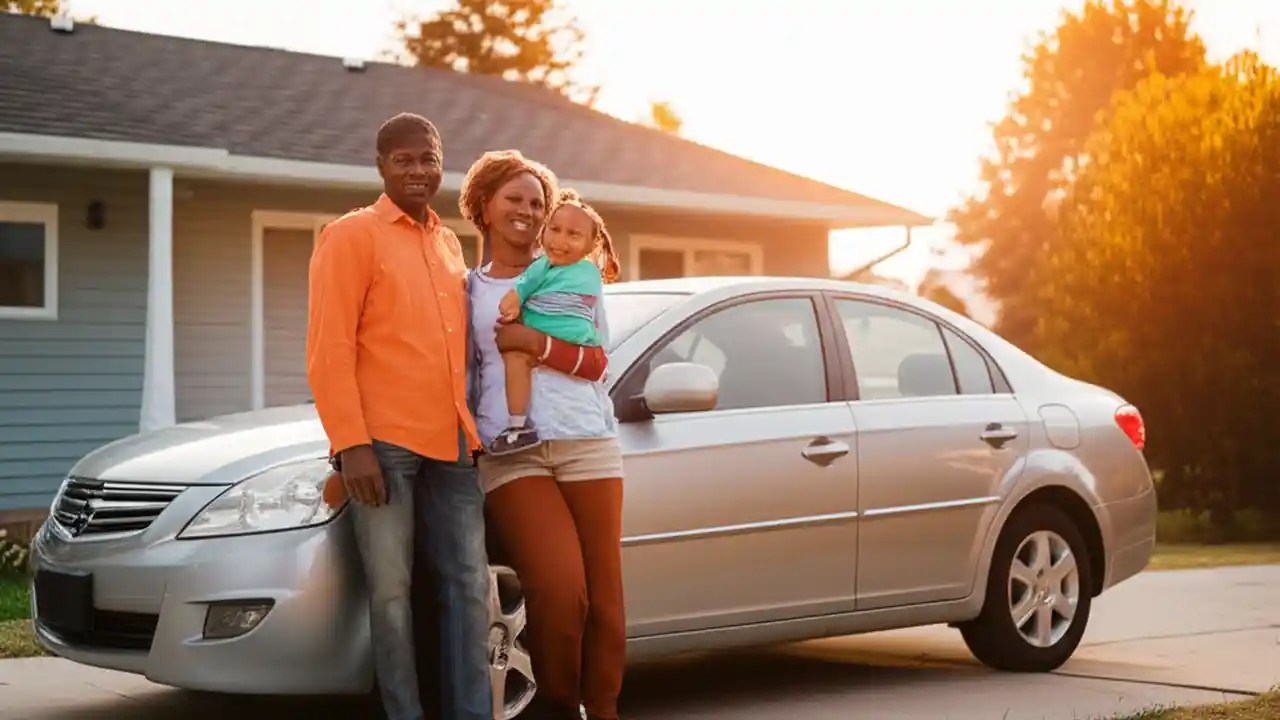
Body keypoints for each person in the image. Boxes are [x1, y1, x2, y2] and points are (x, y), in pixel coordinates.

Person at [306, 112, 491, 720]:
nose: (418, 170)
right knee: (391, 594)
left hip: (452, 441)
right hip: (382, 445)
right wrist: (351, 443)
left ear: (442, 163)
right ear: (381, 165)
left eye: (429, 158)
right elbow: (329, 348)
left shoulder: (446, 241)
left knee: (467, 586)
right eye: (404, 160)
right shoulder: (351, 235)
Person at [459, 150, 627, 720]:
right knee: (560, 591)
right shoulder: (466, 290)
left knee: (604, 597)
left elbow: (598, 361)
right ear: (483, 206)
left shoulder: (578, 275)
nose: (528, 211)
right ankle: (561, 709)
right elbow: (459, 372)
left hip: (587, 441)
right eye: (514, 199)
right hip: (511, 451)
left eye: (537, 202)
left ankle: (601, 711)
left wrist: (538, 346)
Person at [489, 188, 619, 456]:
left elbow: (599, 363)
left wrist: (542, 346)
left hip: (581, 426)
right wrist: (512, 306)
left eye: (573, 234)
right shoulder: (541, 267)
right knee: (515, 359)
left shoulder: (590, 275)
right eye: (554, 229)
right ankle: (517, 426)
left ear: (590, 245)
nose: (560, 240)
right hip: (532, 428)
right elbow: (522, 289)